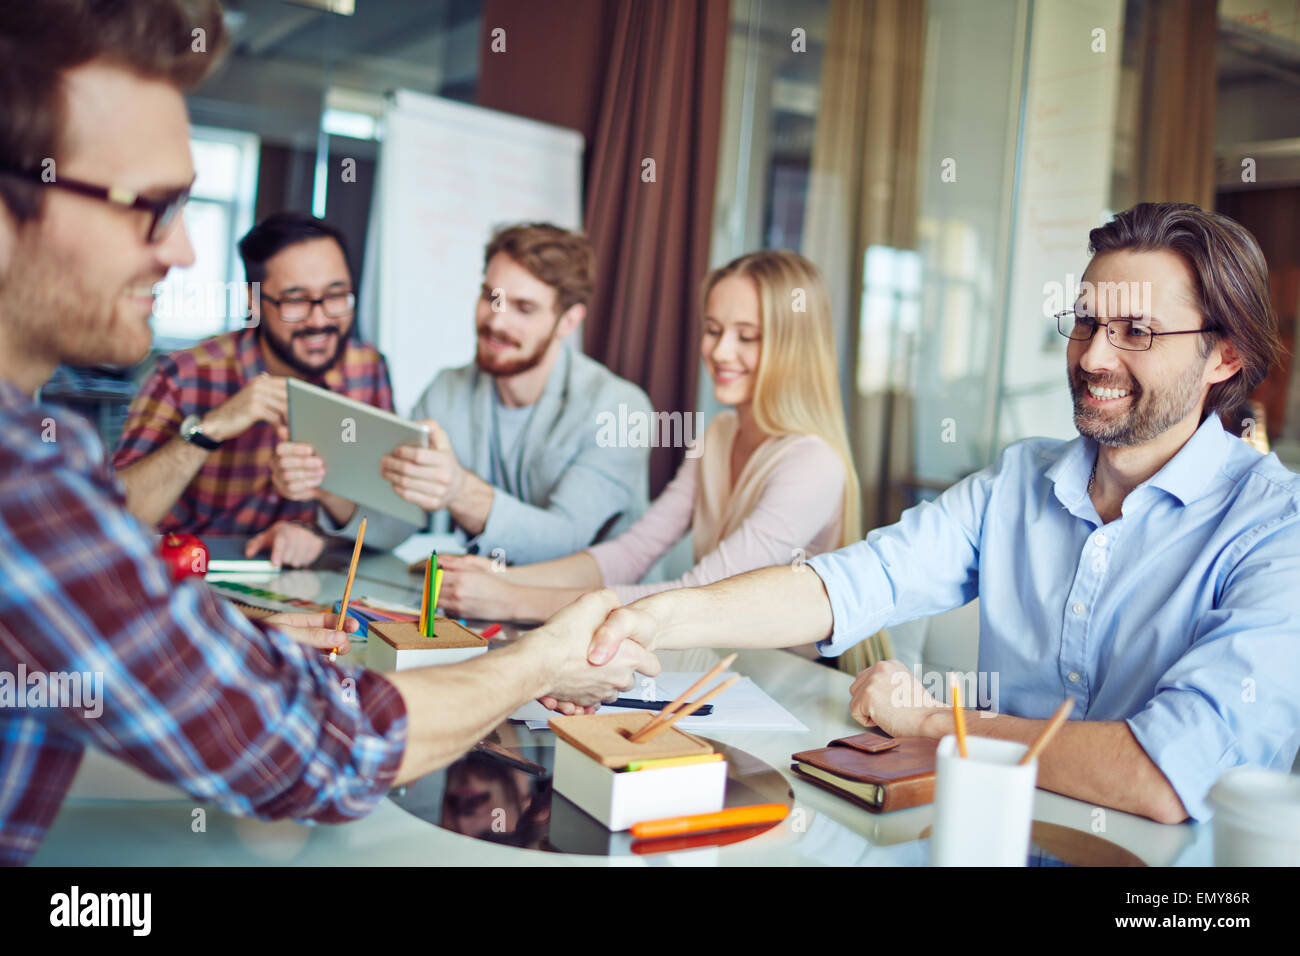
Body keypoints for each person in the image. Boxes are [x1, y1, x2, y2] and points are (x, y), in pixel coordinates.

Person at [0, 0, 655, 867]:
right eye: (148, 206)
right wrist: (540, 663)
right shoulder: (28, 479)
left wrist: (310, 541)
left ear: (567, 321)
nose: (185, 252)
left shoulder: (39, 461)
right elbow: (314, 749)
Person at [580, 202, 1300, 825]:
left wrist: (930, 723)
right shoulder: (1020, 479)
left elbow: (1166, 773)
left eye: (1135, 332)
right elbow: (847, 582)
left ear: (1225, 357)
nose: (1093, 357)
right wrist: (653, 619)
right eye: (1085, 323)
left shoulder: (1275, 531)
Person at [433, 251, 861, 624]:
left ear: (794, 348)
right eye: (713, 330)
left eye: (747, 337)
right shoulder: (720, 434)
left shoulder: (811, 464)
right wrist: (498, 578)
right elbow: (633, 551)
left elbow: (700, 596)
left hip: (788, 684)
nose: (720, 351)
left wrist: (513, 600)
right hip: (720, 662)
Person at [272, 223, 655, 565]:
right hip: (485, 609)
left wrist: (459, 491)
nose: (497, 321)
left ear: (568, 321)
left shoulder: (620, 409)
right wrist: (326, 488)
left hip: (601, 621)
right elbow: (398, 522)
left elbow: (569, 544)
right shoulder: (447, 391)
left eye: (524, 308)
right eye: (491, 297)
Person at [112, 211, 392, 568]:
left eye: (336, 296)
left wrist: (319, 531)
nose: (320, 320)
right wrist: (209, 429)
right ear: (255, 301)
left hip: (312, 585)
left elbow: (389, 514)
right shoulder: (184, 376)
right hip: (188, 579)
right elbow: (113, 517)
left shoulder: (368, 369)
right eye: (295, 301)